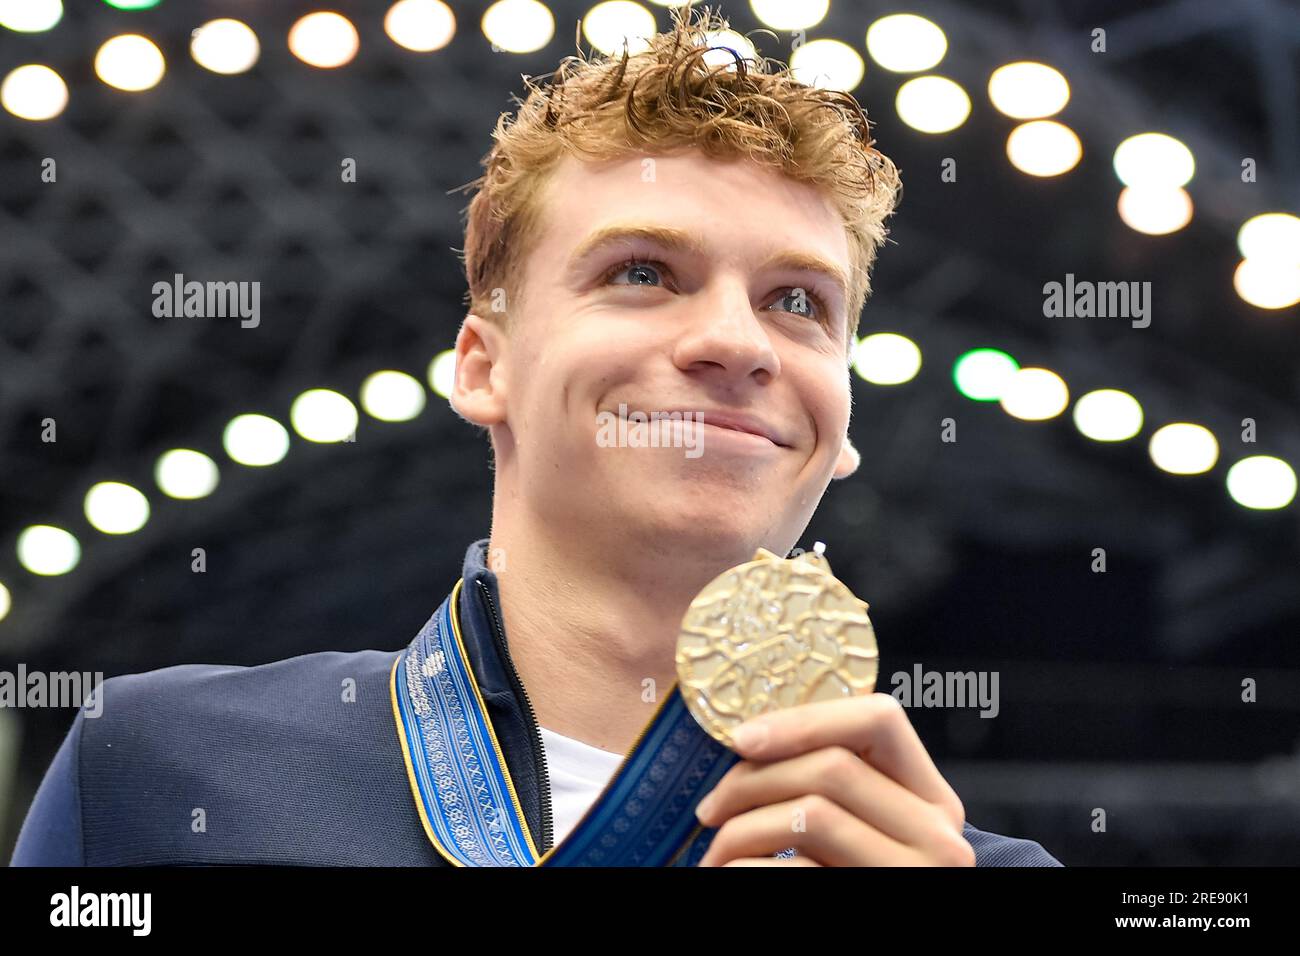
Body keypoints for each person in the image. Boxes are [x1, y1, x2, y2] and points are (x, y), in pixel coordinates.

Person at [11, 9, 1059, 867]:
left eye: (797, 301)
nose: (738, 342)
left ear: (842, 427)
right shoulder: (161, 771)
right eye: (642, 273)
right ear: (483, 366)